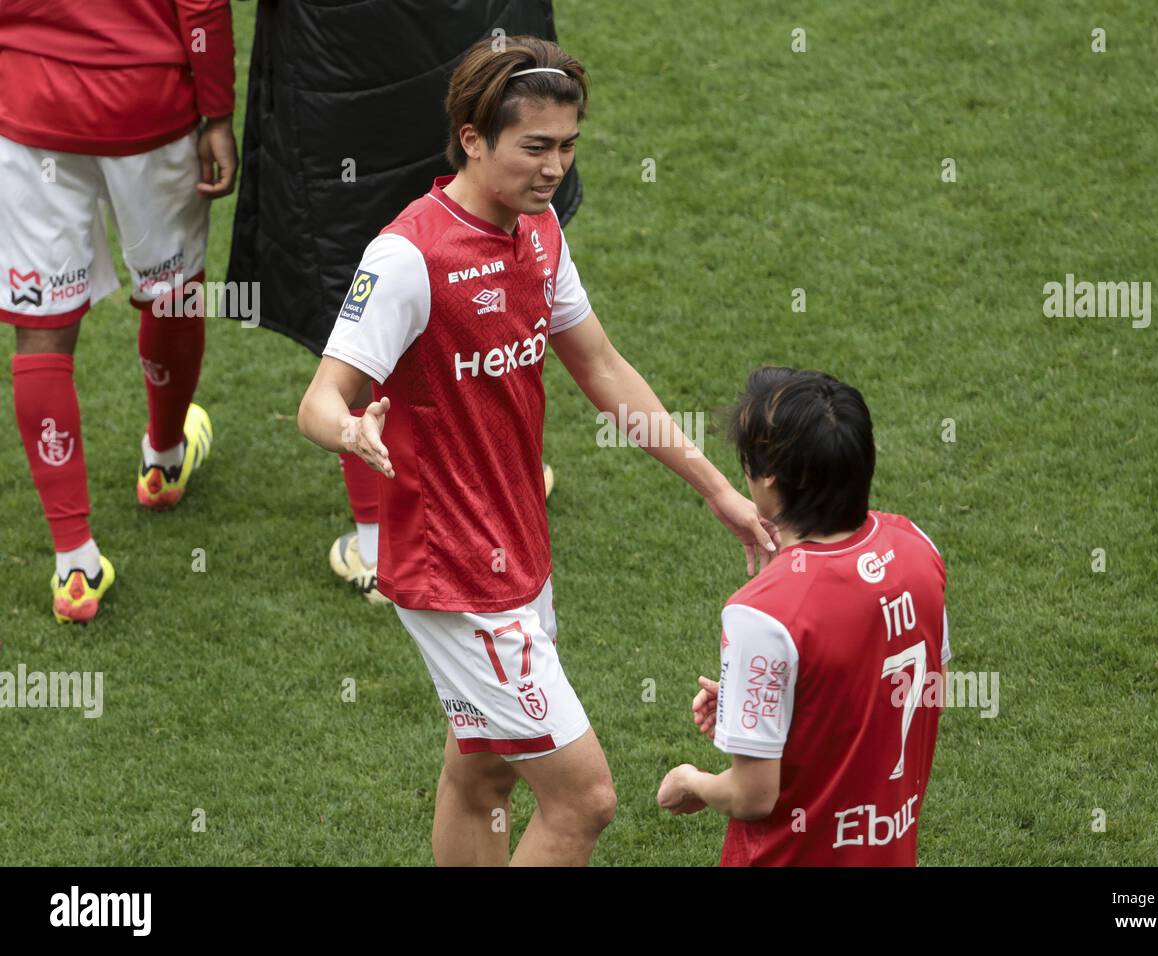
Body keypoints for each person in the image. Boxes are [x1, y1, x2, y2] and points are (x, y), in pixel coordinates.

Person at [297, 35, 776, 866]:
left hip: (517, 547)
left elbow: (600, 366)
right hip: (456, 572)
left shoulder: (541, 229)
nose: (555, 167)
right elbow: (319, 398)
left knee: (482, 776)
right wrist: (350, 428)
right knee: (584, 799)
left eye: (568, 146)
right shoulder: (409, 258)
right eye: (536, 147)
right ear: (473, 139)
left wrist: (715, 490)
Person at [226, 1, 576, 606]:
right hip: (465, 44)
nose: (557, 165)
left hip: (340, 78)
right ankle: (409, 524)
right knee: (406, 285)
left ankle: (383, 535)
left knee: (377, 288)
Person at [0, 0, 238, 622]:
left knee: (42, 329)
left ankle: (74, 564)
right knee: (172, 289)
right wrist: (217, 107)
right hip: (147, 103)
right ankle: (162, 461)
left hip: (29, 103)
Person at [656, 368, 951, 866]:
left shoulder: (761, 613)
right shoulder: (916, 546)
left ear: (768, 477)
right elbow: (908, 688)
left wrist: (693, 783)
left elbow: (754, 797)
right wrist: (769, 698)